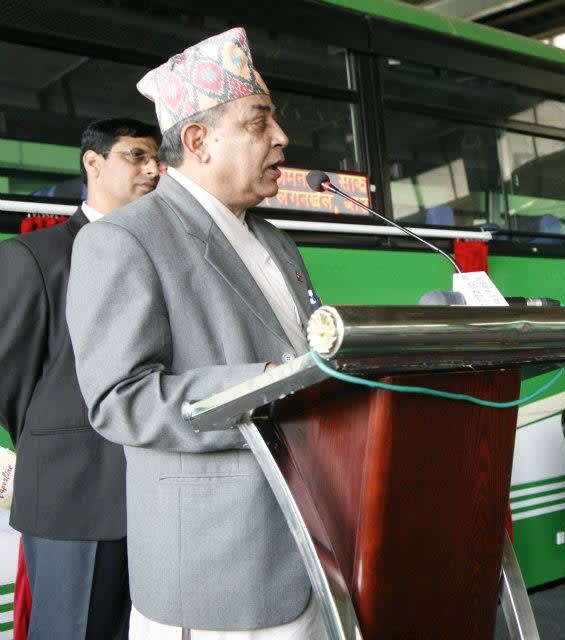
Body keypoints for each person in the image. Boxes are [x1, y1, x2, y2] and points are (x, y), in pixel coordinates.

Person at [66, 28, 324, 638]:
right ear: (199, 141)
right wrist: (268, 384)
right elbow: (119, 399)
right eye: (259, 121)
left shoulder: (275, 240)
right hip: (220, 571)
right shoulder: (123, 239)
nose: (282, 137)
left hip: (314, 547)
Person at [0, 117, 161, 639]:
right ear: (93, 163)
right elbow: (11, 377)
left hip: (160, 496)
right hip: (75, 494)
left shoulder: (162, 253)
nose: (153, 169)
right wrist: (57, 436)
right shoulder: (35, 257)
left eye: (157, 159)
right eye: (136, 156)